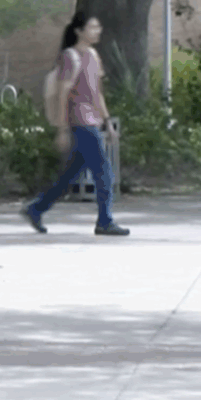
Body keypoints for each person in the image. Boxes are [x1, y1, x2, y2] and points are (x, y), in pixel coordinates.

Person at [21, 13, 129, 237]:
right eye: (93, 27)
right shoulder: (70, 57)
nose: (97, 31)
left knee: (69, 176)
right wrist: (62, 129)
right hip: (80, 121)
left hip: (92, 120)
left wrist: (107, 121)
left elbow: (97, 93)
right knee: (104, 172)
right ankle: (105, 221)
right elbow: (63, 94)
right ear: (79, 31)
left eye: (98, 27)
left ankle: (36, 209)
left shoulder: (93, 56)